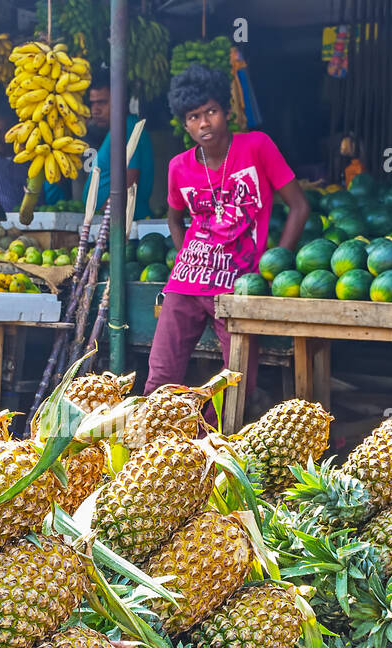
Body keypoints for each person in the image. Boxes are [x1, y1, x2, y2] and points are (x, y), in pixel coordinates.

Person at [146, 65, 308, 401]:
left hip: (239, 285)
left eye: (211, 112)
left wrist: (273, 267)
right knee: (161, 377)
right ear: (184, 122)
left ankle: (209, 444)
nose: (204, 123)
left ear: (226, 111)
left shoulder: (257, 147)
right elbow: (175, 219)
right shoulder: (179, 166)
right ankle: (157, 446)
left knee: (236, 385)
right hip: (186, 282)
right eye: (193, 117)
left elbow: (299, 207)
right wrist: (184, 258)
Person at [83, 66, 154, 219]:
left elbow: (129, 182)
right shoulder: (119, 129)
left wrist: (104, 219)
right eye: (93, 103)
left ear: (120, 101)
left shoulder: (127, 128)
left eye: (102, 102)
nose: (95, 110)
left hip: (121, 227)